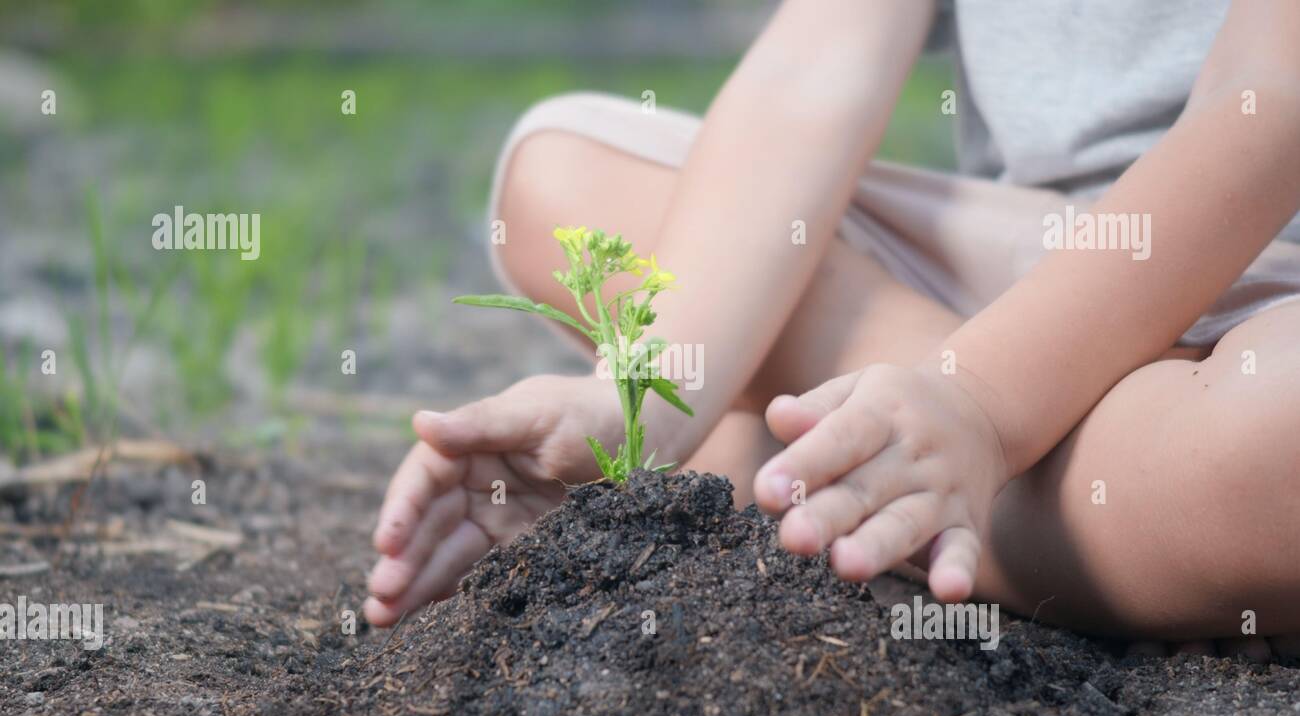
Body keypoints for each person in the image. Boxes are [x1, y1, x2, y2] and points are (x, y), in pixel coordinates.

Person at [366, 0, 1300, 658]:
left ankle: (837, 460)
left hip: (1266, 281)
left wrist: (984, 399)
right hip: (1014, 261)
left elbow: (1267, 101)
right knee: (557, 172)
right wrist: (645, 399)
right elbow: (811, 70)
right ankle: (1088, 506)